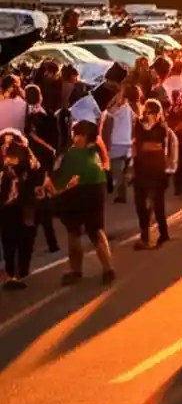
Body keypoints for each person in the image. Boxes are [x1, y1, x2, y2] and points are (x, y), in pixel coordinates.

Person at [48, 119, 115, 286]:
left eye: (75, 133)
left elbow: (61, 178)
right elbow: (106, 170)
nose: (73, 137)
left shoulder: (72, 154)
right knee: (97, 231)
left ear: (82, 136)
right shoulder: (97, 151)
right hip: (97, 191)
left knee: (74, 232)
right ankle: (108, 268)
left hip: (76, 195)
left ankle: (76, 271)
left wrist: (55, 191)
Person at [132, 99, 176, 249]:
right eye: (148, 112)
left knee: (157, 204)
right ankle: (144, 234)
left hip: (157, 171)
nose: (150, 115)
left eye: (153, 112)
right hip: (140, 170)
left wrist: (146, 145)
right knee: (140, 204)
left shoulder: (162, 128)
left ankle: (163, 234)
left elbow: (156, 145)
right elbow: (140, 144)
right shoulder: (138, 125)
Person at [1, 132, 41, 290]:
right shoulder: (9, 167)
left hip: (23, 206)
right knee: (12, 240)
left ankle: (18, 272)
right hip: (11, 206)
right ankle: (13, 273)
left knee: (21, 238)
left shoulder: (29, 163)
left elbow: (36, 180)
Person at [23, 85, 59, 253]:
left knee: (30, 206)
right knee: (43, 203)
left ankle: (28, 244)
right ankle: (51, 242)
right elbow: (56, 142)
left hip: (29, 166)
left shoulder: (25, 117)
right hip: (44, 164)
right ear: (40, 97)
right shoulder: (49, 116)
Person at [102, 85, 138, 204]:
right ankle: (121, 191)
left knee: (117, 172)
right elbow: (135, 121)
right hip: (127, 143)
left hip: (116, 145)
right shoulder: (128, 108)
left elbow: (107, 116)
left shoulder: (113, 111)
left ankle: (120, 194)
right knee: (121, 171)